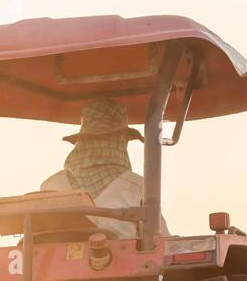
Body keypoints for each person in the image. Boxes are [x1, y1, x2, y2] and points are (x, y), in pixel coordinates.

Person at [40, 99, 169, 239]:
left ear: (81, 142)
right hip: (122, 260)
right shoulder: (137, 186)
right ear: (120, 142)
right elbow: (161, 240)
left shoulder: (51, 184)